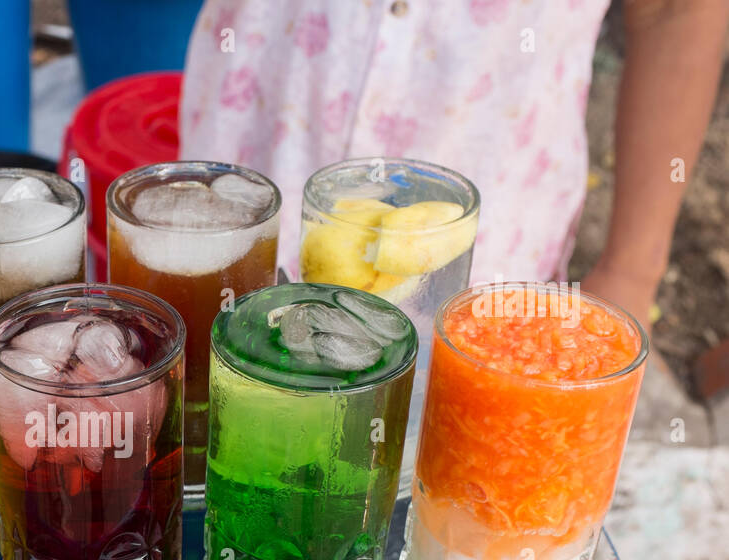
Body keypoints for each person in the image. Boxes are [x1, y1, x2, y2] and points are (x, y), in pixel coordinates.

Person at [180, 0, 729, 345]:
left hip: (488, 223)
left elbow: (675, 10)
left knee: (438, 480)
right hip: (252, 152)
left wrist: (633, 273)